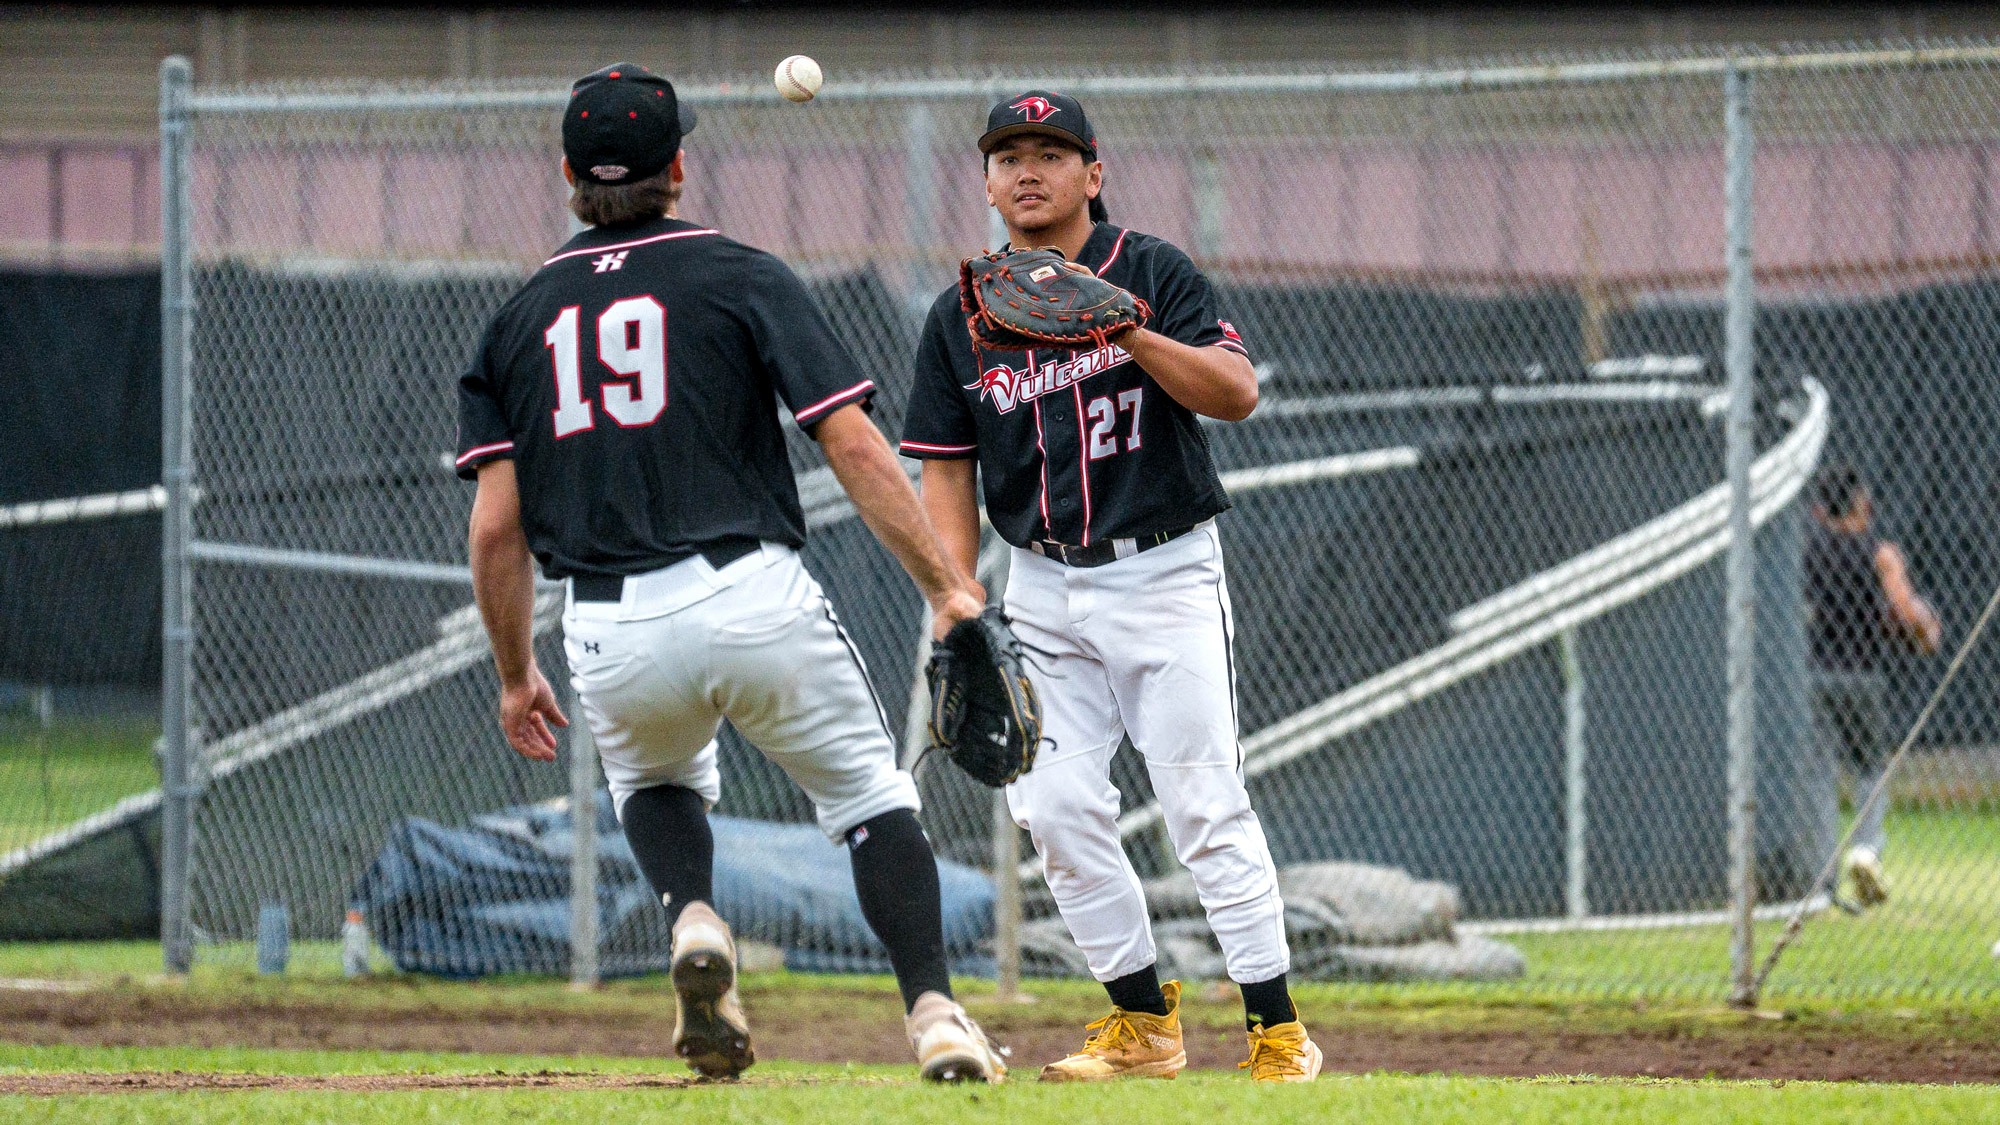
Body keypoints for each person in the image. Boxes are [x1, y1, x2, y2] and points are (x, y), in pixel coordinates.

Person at [455, 62, 1004, 1084]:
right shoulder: (739, 274)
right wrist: (945, 585)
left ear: (569, 176)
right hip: (751, 595)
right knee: (871, 802)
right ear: (676, 169)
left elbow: (496, 530)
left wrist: (513, 672)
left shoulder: (515, 320)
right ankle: (933, 1013)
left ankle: (693, 917)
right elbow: (848, 442)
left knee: (653, 778)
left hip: (609, 625)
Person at [898, 90, 1320, 1083]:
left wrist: (1124, 332)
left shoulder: (1152, 272)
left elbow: (1236, 395)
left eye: (1051, 151)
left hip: (1162, 572)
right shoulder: (958, 316)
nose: (1027, 170)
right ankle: (1141, 1026)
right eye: (1007, 156)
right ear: (987, 181)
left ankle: (1276, 1031)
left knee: (1200, 804)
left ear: (1094, 173)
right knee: (1050, 809)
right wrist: (954, 605)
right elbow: (944, 473)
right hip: (1040, 586)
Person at [1805, 462, 1941, 908]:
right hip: (1862, 676)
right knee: (1869, 768)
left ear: (1821, 508)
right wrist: (1925, 629)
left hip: (1813, 675)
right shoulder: (1880, 553)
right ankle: (1865, 850)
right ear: (1862, 502)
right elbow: (1903, 609)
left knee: (1820, 775)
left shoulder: (1805, 550)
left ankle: (1821, 881)